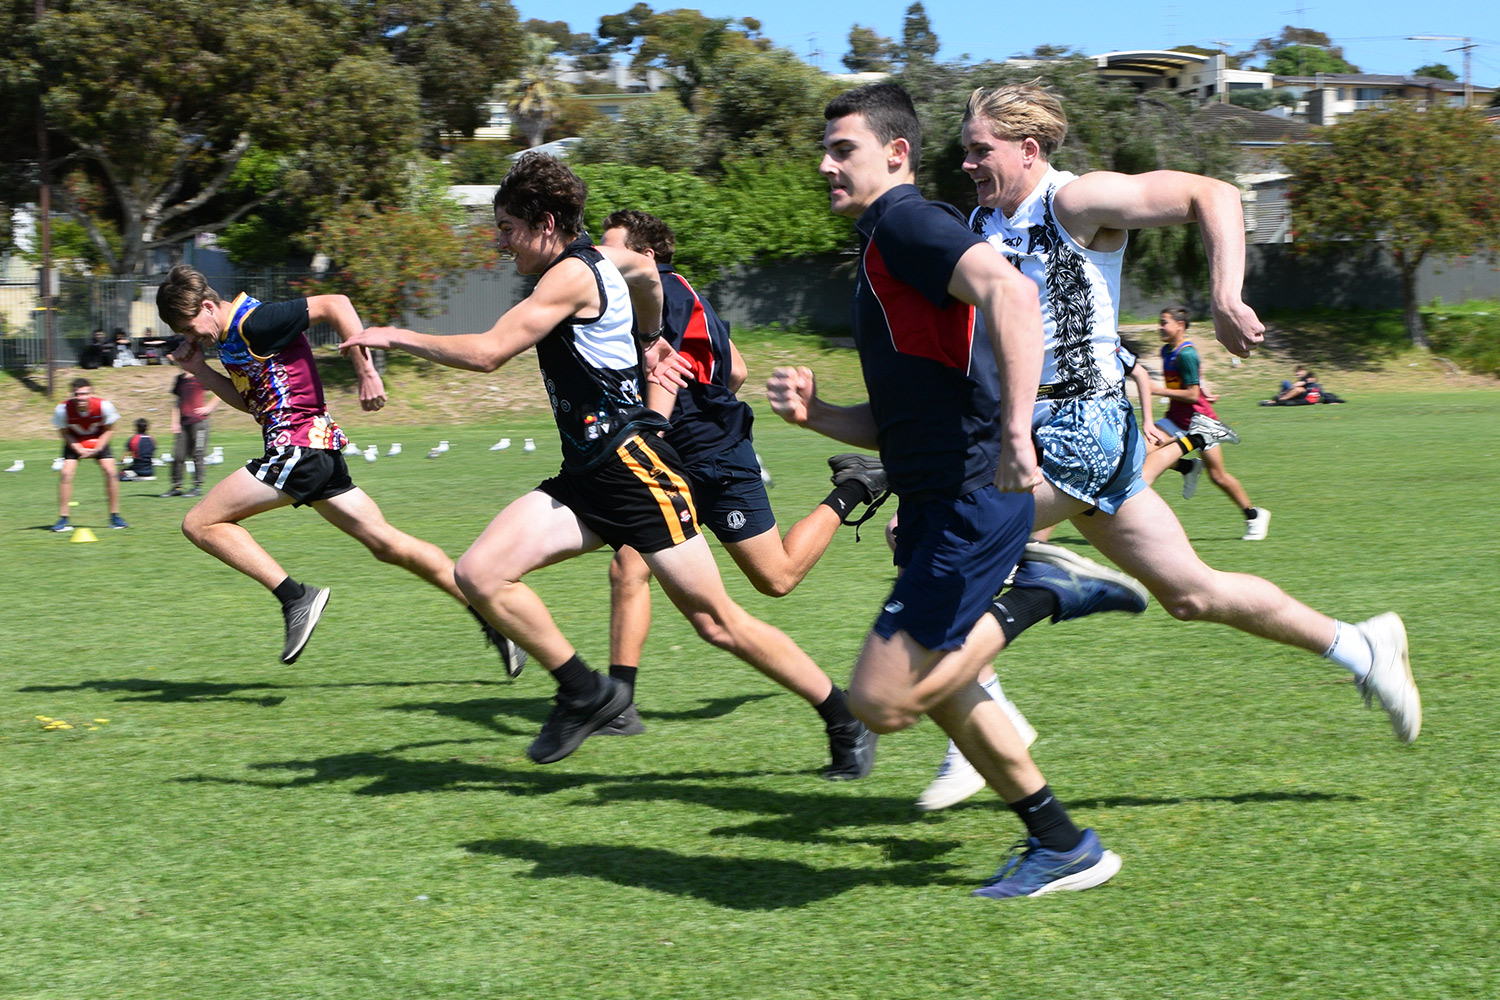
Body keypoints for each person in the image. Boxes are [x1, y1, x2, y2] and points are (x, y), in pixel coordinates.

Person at [340, 153, 876, 778]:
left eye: (507, 227)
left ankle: (843, 717)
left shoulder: (568, 276)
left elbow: (489, 353)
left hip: (636, 472)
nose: (500, 242)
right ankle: (585, 690)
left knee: (718, 622)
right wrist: (651, 338)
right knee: (480, 573)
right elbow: (647, 271)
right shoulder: (606, 258)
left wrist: (394, 336)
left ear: (544, 223)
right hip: (588, 472)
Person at [946, 81, 1416, 745]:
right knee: (1193, 593)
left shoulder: (1073, 200)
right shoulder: (981, 226)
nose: (965, 163)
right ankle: (1362, 647)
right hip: (1048, 434)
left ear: (1027, 149)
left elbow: (1213, 194)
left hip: (1083, 429)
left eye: (978, 150)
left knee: (929, 534)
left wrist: (1225, 296)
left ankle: (984, 718)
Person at [770, 82, 1143, 898]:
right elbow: (908, 417)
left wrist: (1017, 432)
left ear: (896, 154)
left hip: (970, 498)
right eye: (825, 151)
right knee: (950, 692)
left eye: (844, 151)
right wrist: (820, 415)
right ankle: (1062, 843)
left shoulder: (907, 222)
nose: (827, 166)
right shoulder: (882, 245)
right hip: (946, 493)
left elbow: (1014, 292)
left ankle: (1046, 591)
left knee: (880, 700)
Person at [596, 209, 890, 738]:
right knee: (628, 566)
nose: (602, 258)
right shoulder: (685, 292)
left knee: (775, 578)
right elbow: (735, 368)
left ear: (645, 257)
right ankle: (618, 704)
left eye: (612, 249)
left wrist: (678, 429)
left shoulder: (657, 293)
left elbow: (686, 376)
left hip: (706, 459)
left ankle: (855, 486)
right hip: (683, 455)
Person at [154, 263, 527, 676]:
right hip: (314, 452)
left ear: (208, 306)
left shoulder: (257, 320)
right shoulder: (229, 338)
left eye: (190, 327)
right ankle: (497, 622)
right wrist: (202, 372)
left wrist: (366, 371)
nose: (190, 338)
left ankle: (296, 597)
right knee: (389, 545)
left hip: (296, 448)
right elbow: (251, 403)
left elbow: (337, 304)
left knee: (200, 523)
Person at [1140, 307, 1269, 539]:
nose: (1159, 327)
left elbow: (1191, 395)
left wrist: (1158, 389)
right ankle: (1188, 467)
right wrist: (1203, 387)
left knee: (1218, 476)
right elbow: (1193, 380)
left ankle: (1254, 515)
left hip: (1201, 423)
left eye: (1164, 323)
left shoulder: (1187, 353)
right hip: (1175, 419)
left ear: (1180, 325)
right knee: (1140, 451)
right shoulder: (1166, 351)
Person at [51, 377, 127, 530]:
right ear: (72, 395)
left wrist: (98, 448)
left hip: (99, 440)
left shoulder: (104, 406)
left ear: (91, 393)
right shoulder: (62, 409)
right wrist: (78, 448)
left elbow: (110, 430)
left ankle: (115, 517)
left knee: (111, 472)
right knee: (66, 474)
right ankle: (63, 519)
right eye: (77, 394)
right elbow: (64, 432)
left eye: (85, 394)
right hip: (74, 441)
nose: (81, 398)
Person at [162, 361, 216, 497]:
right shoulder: (180, 379)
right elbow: (177, 403)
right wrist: (174, 422)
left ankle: (197, 486)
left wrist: (208, 408)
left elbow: (219, 392)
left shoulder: (200, 377)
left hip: (199, 423)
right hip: (183, 423)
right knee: (178, 455)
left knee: (198, 454)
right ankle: (177, 486)